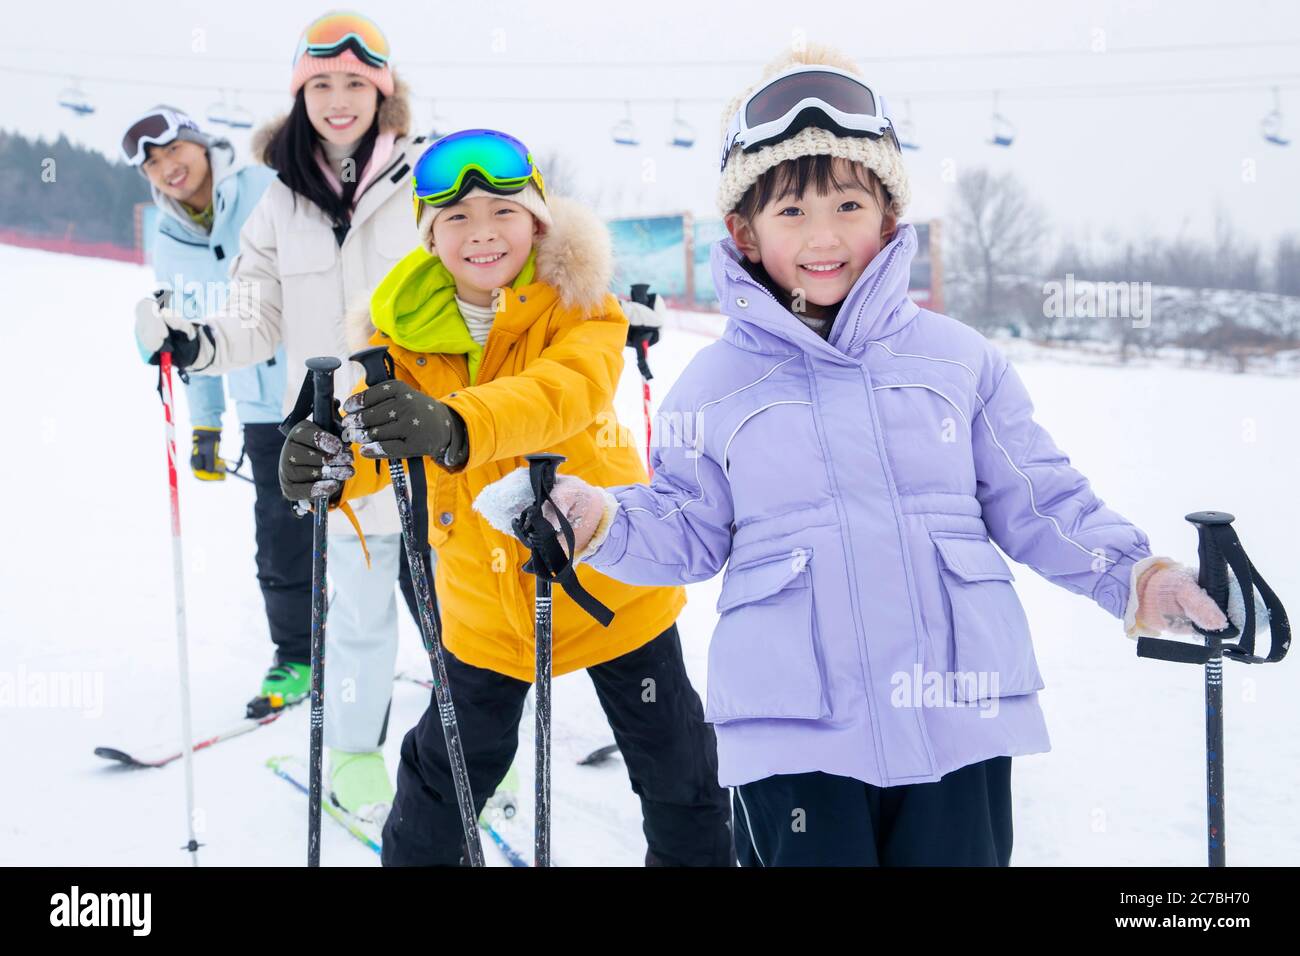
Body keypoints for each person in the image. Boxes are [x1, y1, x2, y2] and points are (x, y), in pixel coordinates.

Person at [473, 45, 1243, 867]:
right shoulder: (712, 387)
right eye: (792, 213)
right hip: (794, 734)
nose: (824, 236)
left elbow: (1042, 499)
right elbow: (687, 529)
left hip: (959, 715)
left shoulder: (959, 361)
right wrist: (602, 519)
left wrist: (1137, 575)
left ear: (887, 216)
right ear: (744, 230)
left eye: (847, 204)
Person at [276, 128, 735, 866]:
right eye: (456, 219)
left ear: (539, 222)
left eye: (503, 212)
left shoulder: (582, 308)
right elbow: (371, 452)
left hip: (609, 576)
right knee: (442, 781)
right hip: (483, 609)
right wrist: (325, 469)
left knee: (679, 768)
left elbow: (563, 395)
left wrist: (455, 423)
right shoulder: (395, 346)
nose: (482, 233)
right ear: (430, 238)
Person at [133, 11, 429, 823]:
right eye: (321, 85)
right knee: (360, 614)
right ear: (301, 97)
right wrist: (193, 344)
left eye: (356, 84)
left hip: (432, 432)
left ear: (382, 91)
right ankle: (358, 759)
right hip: (336, 443)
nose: (339, 101)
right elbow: (255, 319)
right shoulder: (281, 203)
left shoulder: (426, 181)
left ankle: (482, 748)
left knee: (459, 609)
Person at [123, 105, 310, 713]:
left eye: (174, 150)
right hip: (260, 406)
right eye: (152, 163)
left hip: (326, 382)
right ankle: (297, 656)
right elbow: (187, 335)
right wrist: (205, 423)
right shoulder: (168, 238)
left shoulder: (267, 186)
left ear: (202, 144)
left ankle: (446, 656)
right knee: (280, 541)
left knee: (380, 528)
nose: (167, 168)